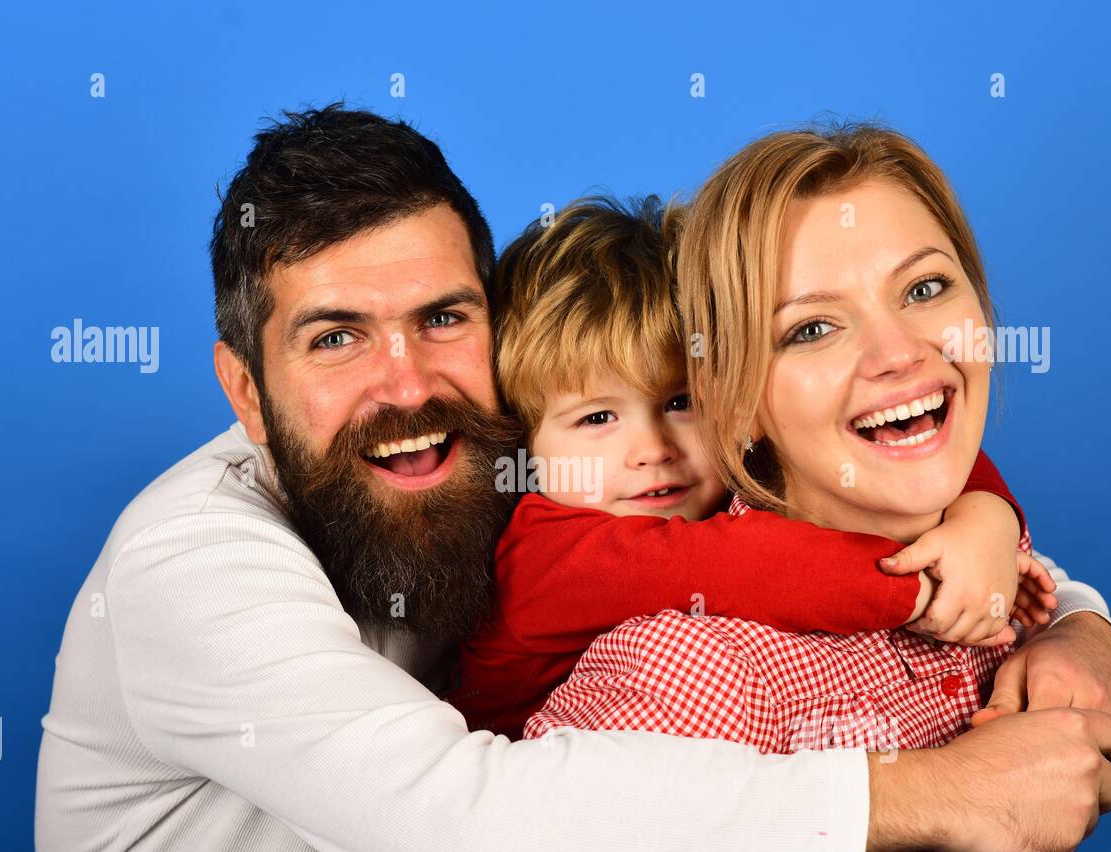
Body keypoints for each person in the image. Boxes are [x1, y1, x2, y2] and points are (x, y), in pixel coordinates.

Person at [35, 105, 1111, 852]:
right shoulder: (188, 563)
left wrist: (1063, 613)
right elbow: (472, 834)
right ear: (243, 387)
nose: (405, 382)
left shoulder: (512, 458)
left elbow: (849, 489)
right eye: (335, 338)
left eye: (443, 319)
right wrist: (935, 788)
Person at [446, 193, 1055, 744]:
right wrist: (932, 589)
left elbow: (921, 447)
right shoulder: (549, 557)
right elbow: (750, 565)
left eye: (681, 404)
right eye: (597, 419)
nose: (652, 449)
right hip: (526, 824)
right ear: (523, 447)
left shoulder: (731, 466)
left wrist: (986, 517)